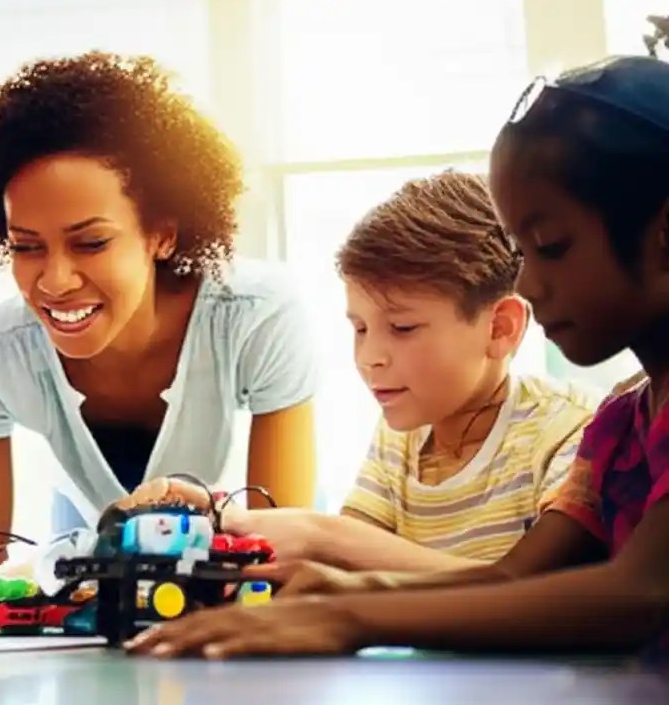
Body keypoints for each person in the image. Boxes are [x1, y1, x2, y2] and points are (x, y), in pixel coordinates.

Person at [126, 54, 669, 660]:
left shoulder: (578, 423)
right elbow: (515, 578)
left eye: (551, 247)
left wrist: (353, 614)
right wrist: (352, 589)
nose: (532, 284)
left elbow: (643, 593)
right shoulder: (621, 422)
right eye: (521, 254)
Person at [0, 51, 318, 572]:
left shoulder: (257, 317)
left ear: (161, 234)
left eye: (91, 243)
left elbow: (281, 550)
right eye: (26, 247)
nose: (54, 280)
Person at [117, 171, 598, 572]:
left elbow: (542, 593)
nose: (371, 356)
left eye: (403, 327)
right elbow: (344, 567)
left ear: (501, 327)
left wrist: (321, 533)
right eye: (360, 328)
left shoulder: (570, 431)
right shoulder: (402, 438)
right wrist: (226, 526)